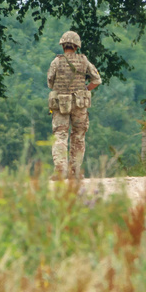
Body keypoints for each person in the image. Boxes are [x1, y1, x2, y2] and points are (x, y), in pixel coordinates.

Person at [47, 30, 101, 180]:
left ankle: (60, 171)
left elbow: (50, 83)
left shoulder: (56, 62)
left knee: (60, 135)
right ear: (77, 46)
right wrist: (85, 89)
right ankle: (74, 172)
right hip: (80, 103)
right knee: (78, 136)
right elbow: (96, 80)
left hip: (60, 105)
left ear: (63, 45)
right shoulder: (84, 61)